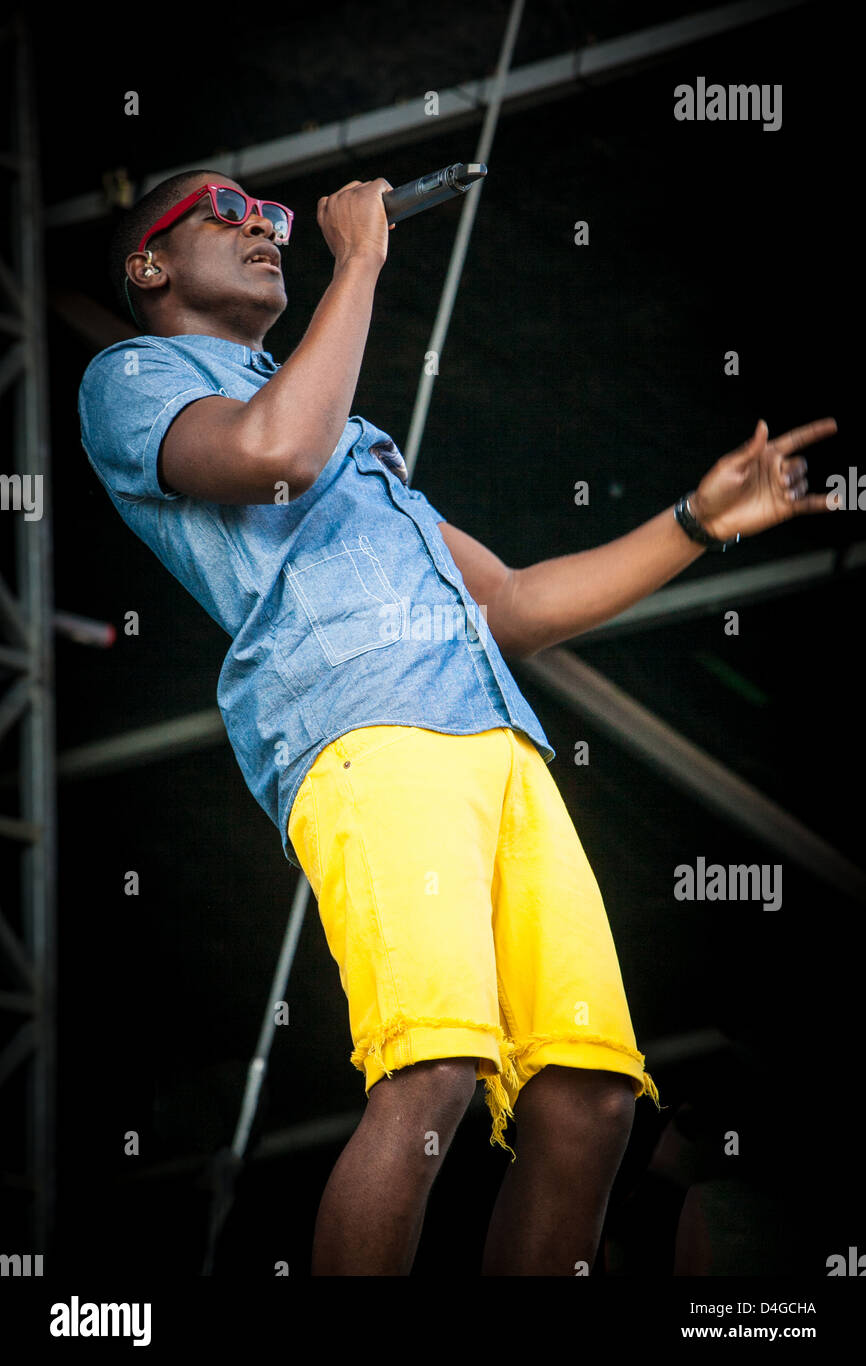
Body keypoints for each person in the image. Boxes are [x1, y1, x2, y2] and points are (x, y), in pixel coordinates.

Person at [78, 168, 836, 1276]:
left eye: (274, 216)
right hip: (367, 732)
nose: (261, 226)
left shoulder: (345, 427)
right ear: (147, 265)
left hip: (496, 740)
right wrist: (362, 261)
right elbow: (268, 456)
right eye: (225, 210)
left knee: (589, 1100)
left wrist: (693, 523)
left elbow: (514, 603)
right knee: (431, 1073)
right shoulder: (135, 376)